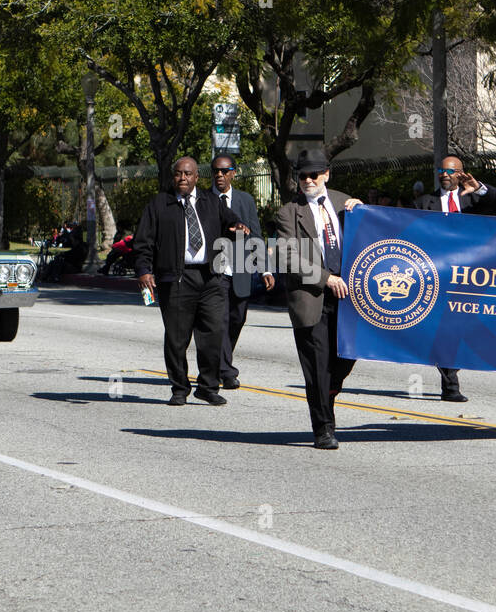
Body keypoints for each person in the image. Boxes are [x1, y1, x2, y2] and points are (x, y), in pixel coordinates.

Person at [263, 150, 362, 449]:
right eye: (302, 175)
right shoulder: (288, 212)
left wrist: (364, 212)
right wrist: (326, 278)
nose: (308, 180)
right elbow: (287, 256)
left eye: (313, 175)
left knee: (344, 359)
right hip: (312, 297)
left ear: (326, 175)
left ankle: (328, 393)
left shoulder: (345, 203)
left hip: (348, 297)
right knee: (317, 366)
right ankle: (323, 429)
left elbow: (371, 236)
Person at [134, 156, 247, 406]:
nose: (182, 178)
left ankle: (207, 387)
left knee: (213, 334)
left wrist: (238, 226)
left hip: (210, 278)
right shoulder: (159, 204)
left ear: (197, 177)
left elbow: (230, 220)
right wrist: (144, 270)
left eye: (187, 174)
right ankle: (179, 388)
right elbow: (143, 241)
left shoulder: (211, 201)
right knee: (177, 338)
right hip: (176, 278)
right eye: (178, 174)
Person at [414, 155, 496, 402]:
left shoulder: (475, 200)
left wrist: (480, 188)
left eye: (451, 171)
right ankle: (450, 385)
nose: (445, 174)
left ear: (461, 173)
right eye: (441, 170)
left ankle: (455, 365)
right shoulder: (424, 203)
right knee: (446, 329)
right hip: (439, 274)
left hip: (472, 275)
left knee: (469, 328)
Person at [210, 154, 263, 390]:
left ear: (233, 173)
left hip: (241, 269)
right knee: (219, 320)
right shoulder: (203, 199)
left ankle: (219, 362)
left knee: (237, 319)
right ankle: (227, 371)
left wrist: (265, 269)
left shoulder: (245, 200)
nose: (219, 175)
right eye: (215, 171)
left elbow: (256, 234)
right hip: (215, 271)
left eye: (224, 171)